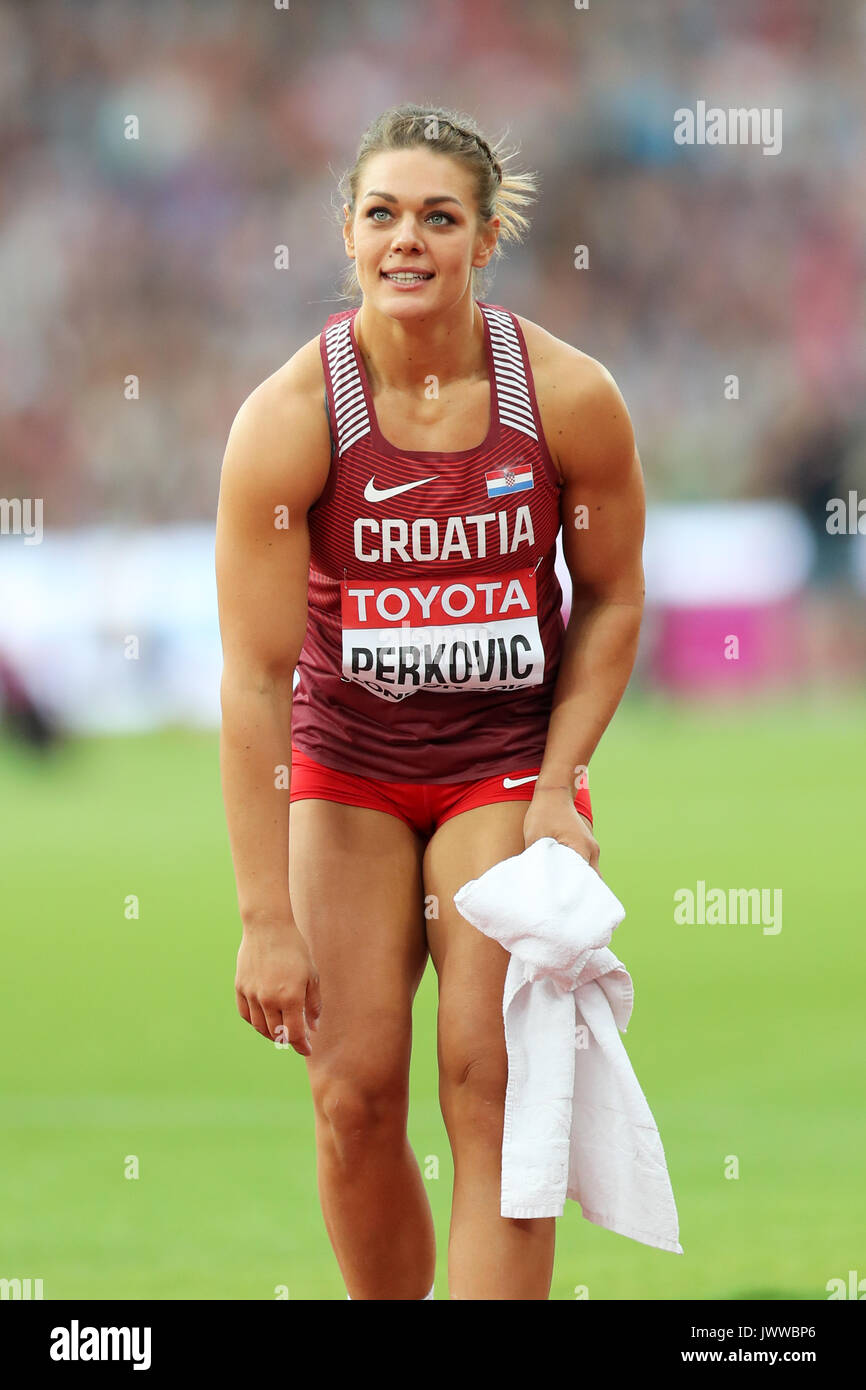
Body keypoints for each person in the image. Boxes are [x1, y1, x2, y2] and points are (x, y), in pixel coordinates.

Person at [215, 103, 645, 1301]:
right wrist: (264, 916)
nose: (409, 239)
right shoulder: (290, 418)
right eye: (383, 215)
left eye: (438, 217)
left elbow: (609, 597)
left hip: (502, 769)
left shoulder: (565, 396)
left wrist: (559, 781)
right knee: (352, 1092)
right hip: (346, 771)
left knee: (490, 1080)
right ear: (347, 236)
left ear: (486, 234)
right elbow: (252, 679)